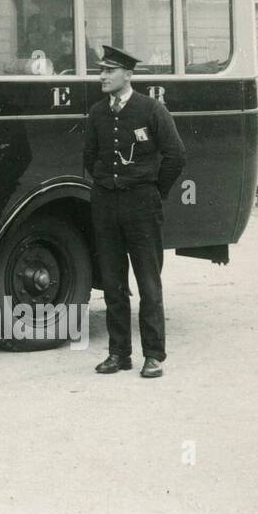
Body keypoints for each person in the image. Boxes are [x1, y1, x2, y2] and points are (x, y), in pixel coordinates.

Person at [84, 45, 186, 379]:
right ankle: (118, 354)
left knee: (148, 283)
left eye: (109, 71)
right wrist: (105, 186)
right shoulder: (98, 112)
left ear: (128, 75)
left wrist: (156, 191)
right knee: (113, 284)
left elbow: (175, 155)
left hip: (142, 205)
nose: (102, 76)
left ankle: (154, 355)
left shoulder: (151, 110)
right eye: (101, 71)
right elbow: (90, 157)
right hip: (106, 205)